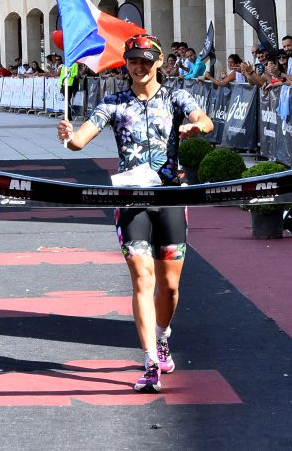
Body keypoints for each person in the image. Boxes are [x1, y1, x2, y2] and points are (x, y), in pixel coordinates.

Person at [56, 34, 213, 393]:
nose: (138, 68)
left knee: (169, 287)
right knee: (142, 279)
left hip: (170, 195)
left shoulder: (176, 96)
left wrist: (194, 127)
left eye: (145, 61)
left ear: (158, 62)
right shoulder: (113, 102)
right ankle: (150, 361)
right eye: (132, 62)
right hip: (129, 198)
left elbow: (205, 121)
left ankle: (162, 335)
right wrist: (66, 135)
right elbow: (79, 141)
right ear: (125, 65)